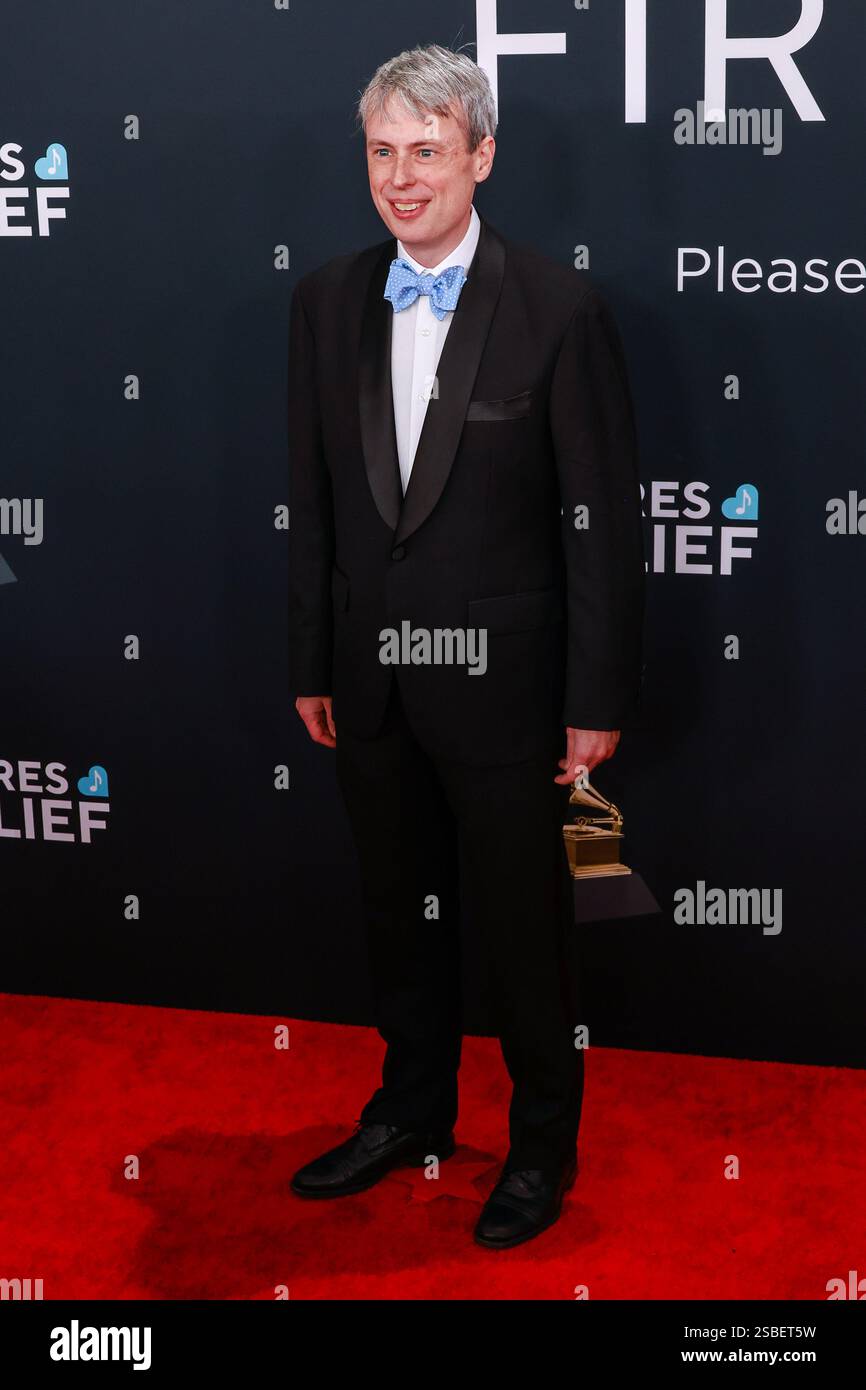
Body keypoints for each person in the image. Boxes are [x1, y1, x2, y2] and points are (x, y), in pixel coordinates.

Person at [287, 43, 645, 1249]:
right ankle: (410, 1111)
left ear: (479, 157)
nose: (401, 177)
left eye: (426, 152)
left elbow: (601, 521)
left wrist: (594, 693)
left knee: (523, 930)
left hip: (506, 696)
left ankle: (541, 1140)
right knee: (398, 914)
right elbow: (314, 501)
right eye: (383, 153)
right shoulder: (327, 299)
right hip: (368, 686)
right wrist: (311, 661)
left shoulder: (558, 309)